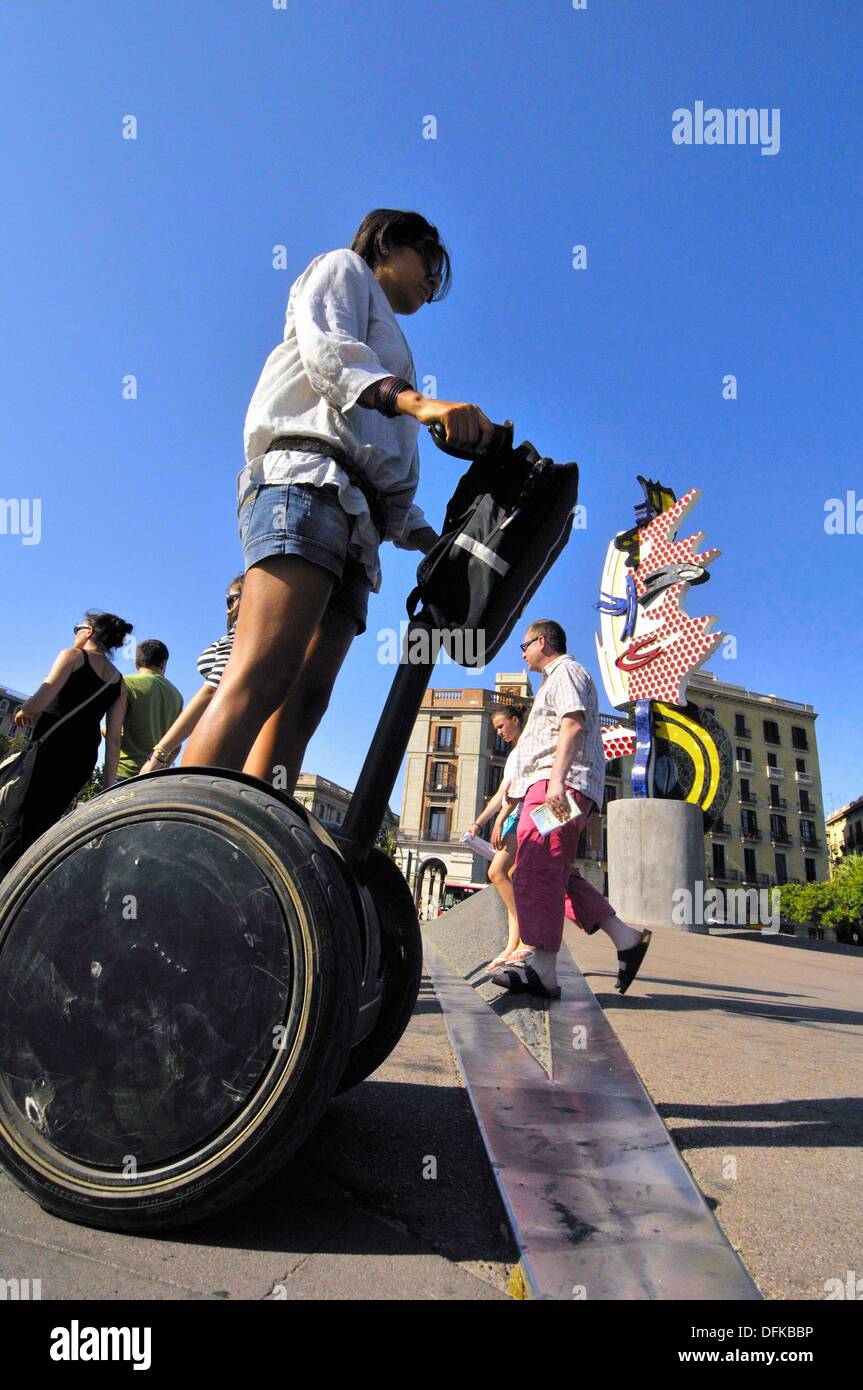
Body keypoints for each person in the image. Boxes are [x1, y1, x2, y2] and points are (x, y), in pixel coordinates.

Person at [181, 208, 496, 791]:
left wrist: (436, 540)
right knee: (263, 671)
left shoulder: (398, 352)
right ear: (389, 242)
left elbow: (391, 471)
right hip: (307, 481)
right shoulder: (342, 269)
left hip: (362, 522)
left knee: (304, 703)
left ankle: (255, 837)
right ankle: (176, 847)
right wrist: (422, 404)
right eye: (428, 261)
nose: (433, 281)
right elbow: (332, 354)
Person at [490, 619, 652, 1000]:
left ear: (541, 642)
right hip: (557, 787)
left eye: (524, 646)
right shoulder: (554, 678)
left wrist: (557, 783)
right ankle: (625, 938)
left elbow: (573, 724)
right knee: (552, 865)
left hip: (558, 787)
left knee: (539, 863)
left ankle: (543, 970)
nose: (523, 652)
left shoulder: (565, 671)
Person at [13, 610, 132, 854]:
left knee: (20, 824)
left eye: (77, 628)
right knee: (44, 824)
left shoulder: (71, 656)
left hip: (50, 748)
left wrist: (22, 712)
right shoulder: (119, 682)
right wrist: (108, 786)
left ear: (88, 632)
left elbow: (36, 705)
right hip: (81, 758)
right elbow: (113, 740)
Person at [138, 576, 244, 774]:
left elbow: (212, 690)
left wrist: (159, 754)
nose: (227, 609)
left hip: (219, 729)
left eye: (230, 599)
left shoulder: (242, 632)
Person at [463, 704, 531, 970]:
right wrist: (478, 823)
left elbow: (519, 791)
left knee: (496, 872)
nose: (499, 732)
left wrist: (501, 819)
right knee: (510, 877)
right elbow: (502, 793)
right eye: (496, 729)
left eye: (502, 726)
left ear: (515, 720)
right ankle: (511, 943)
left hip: (522, 815)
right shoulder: (514, 754)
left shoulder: (526, 748)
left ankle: (524, 935)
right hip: (513, 815)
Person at [115, 639, 183, 780]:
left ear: (136, 663)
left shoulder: (127, 683)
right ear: (164, 664)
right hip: (155, 775)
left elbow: (114, 731)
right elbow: (176, 746)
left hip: (124, 772)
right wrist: (161, 766)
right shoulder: (177, 696)